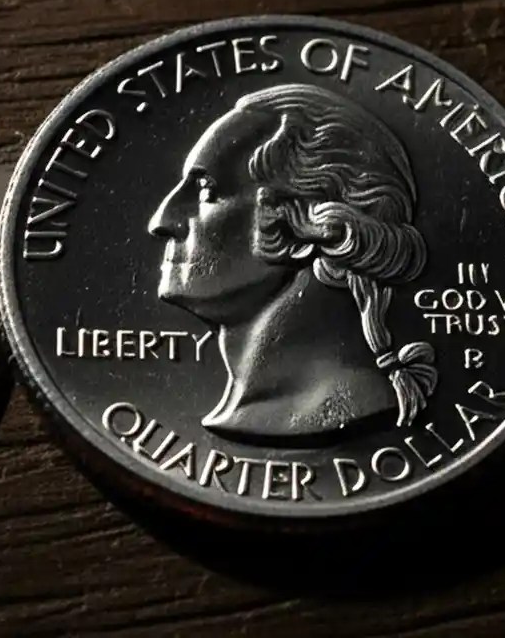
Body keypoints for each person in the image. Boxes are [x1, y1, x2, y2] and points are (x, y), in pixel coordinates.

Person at [148, 84, 437, 442]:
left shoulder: (347, 405)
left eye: (207, 190)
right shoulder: (251, 411)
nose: (162, 220)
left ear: (302, 221)